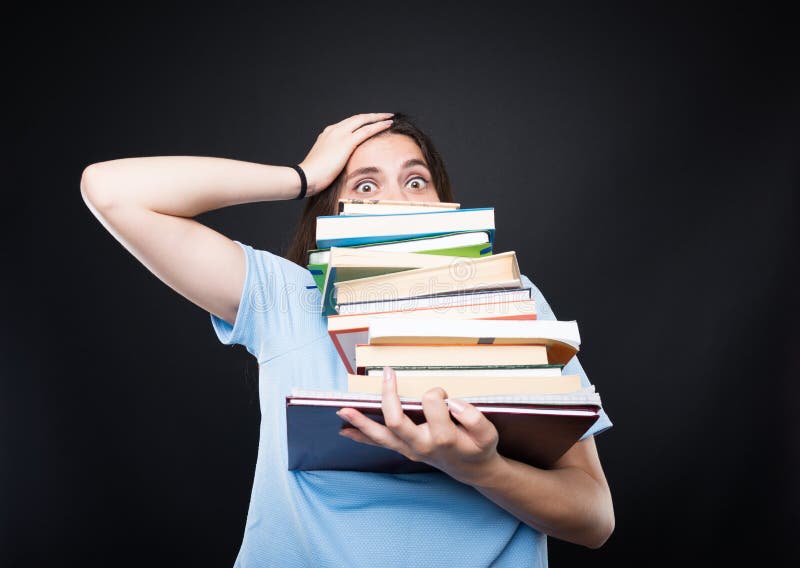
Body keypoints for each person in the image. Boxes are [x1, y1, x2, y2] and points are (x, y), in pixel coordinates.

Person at [80, 112, 614, 567]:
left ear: (443, 207)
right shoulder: (285, 296)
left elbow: (594, 518)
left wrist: (483, 469)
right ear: (331, 215)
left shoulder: (512, 298)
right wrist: (302, 175)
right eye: (364, 185)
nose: (395, 202)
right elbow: (111, 190)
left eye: (415, 181)